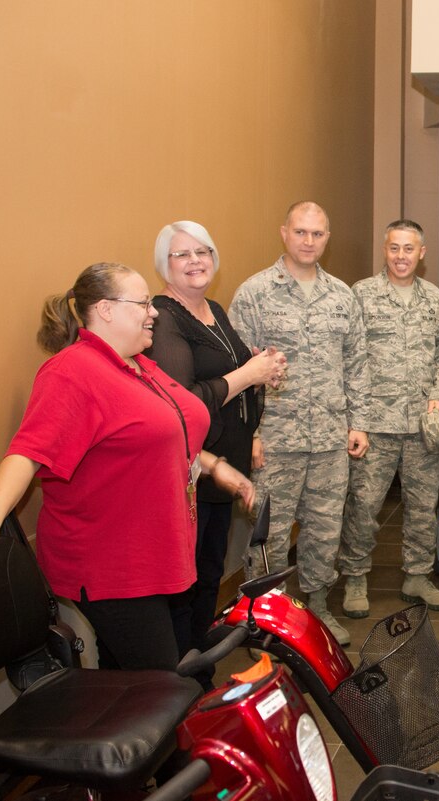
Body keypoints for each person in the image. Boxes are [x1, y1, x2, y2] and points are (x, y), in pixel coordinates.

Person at [0, 263, 255, 671]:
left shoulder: (141, 365)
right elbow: (28, 452)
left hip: (159, 549)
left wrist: (212, 465)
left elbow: (167, 429)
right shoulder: (72, 372)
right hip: (113, 564)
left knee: (125, 676)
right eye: (142, 303)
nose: (153, 311)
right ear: (105, 310)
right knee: (160, 686)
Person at [147, 221, 287, 678]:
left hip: (226, 465)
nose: (195, 261)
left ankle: (201, 670)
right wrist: (248, 376)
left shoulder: (214, 310)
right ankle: (181, 680)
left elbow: (234, 381)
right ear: (163, 264)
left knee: (208, 574)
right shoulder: (166, 317)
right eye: (181, 254)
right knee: (185, 582)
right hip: (192, 471)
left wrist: (263, 373)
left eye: (202, 251)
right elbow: (183, 401)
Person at [229, 201, 370, 646]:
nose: (309, 241)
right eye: (301, 232)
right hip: (275, 438)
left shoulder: (343, 296)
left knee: (325, 528)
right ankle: (267, 616)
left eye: (318, 234)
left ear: (327, 238)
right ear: (284, 233)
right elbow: (237, 368)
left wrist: (358, 423)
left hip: (330, 437)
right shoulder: (254, 293)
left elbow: (357, 363)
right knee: (268, 531)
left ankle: (317, 608)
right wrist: (249, 433)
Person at [339, 219, 439, 616]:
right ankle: (355, 577)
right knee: (364, 506)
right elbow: (349, 359)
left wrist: (438, 399)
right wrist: (356, 417)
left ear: (421, 254)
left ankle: (417, 576)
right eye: (394, 248)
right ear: (384, 250)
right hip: (375, 425)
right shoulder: (362, 295)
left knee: (423, 506)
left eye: (409, 249)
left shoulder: (434, 298)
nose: (401, 256)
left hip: (422, 426)